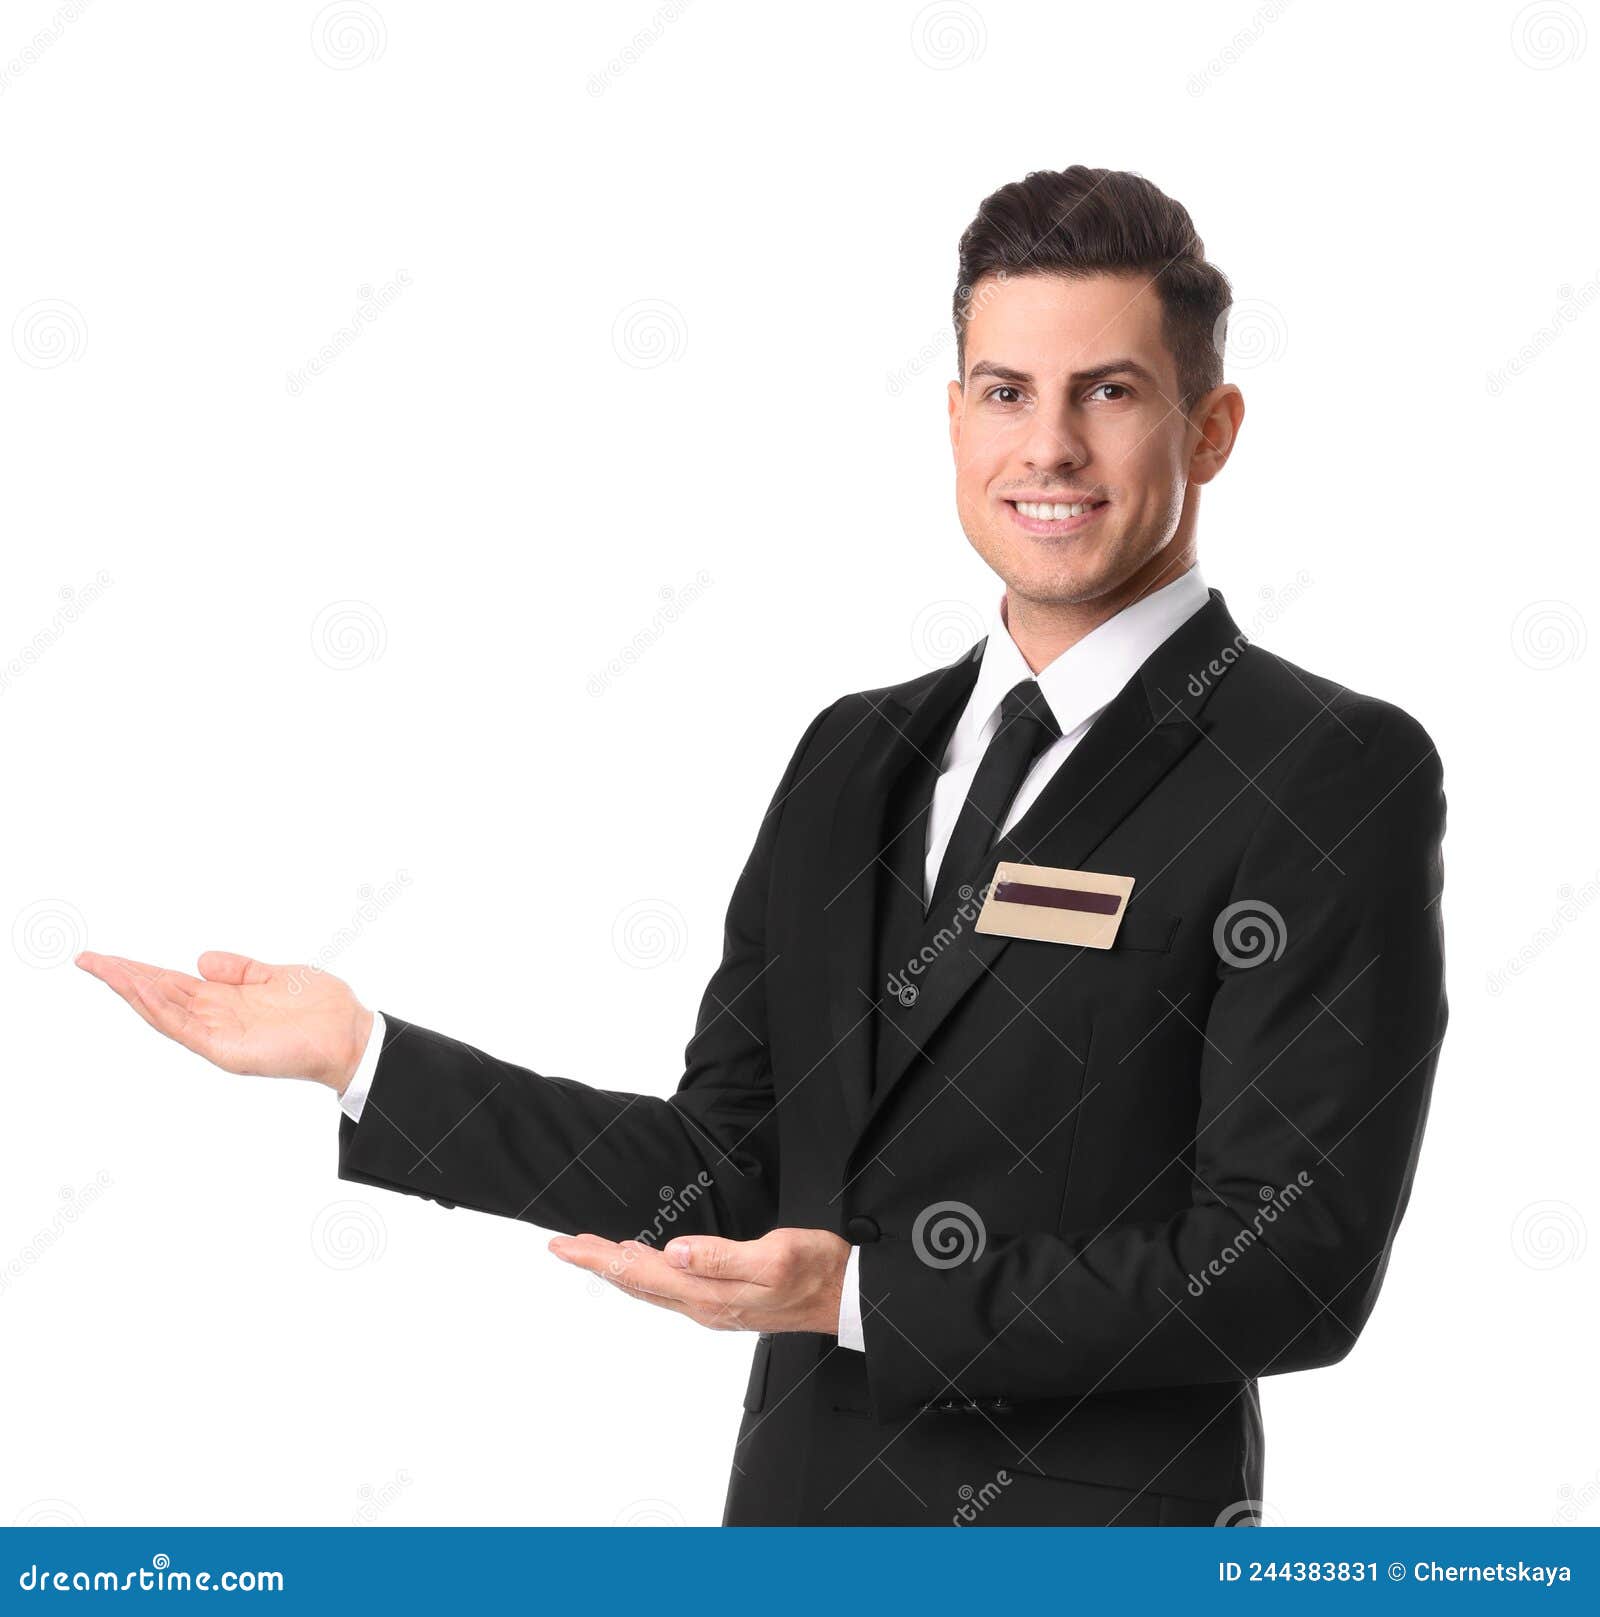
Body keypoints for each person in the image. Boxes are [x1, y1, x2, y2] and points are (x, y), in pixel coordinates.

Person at [76, 165, 1447, 1527]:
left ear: (1212, 429)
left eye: (1109, 392)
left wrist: (861, 1296)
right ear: (954, 418)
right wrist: (365, 1057)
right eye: (1005, 393)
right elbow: (728, 1165)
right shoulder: (853, 754)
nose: (1048, 448)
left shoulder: (1324, 769)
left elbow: (1293, 1268)